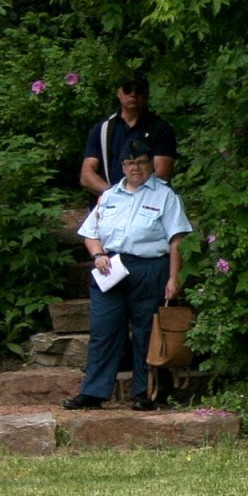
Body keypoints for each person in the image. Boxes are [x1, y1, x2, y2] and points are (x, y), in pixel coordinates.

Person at [62, 137, 190, 411]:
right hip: (112, 268)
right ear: (122, 166)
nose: (136, 168)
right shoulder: (109, 197)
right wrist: (98, 255)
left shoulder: (165, 195)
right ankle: (94, 392)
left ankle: (144, 392)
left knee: (146, 331)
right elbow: (89, 234)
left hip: (148, 268)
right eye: (130, 163)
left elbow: (177, 240)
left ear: (150, 164)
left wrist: (173, 278)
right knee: (104, 330)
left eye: (141, 163)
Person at [80, 76, 176, 195]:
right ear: (118, 93)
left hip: (147, 204)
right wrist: (115, 195)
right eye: (127, 89)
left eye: (139, 90)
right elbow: (87, 174)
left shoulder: (160, 129)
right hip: (108, 204)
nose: (133, 94)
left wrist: (133, 197)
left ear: (146, 94)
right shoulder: (102, 129)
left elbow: (162, 174)